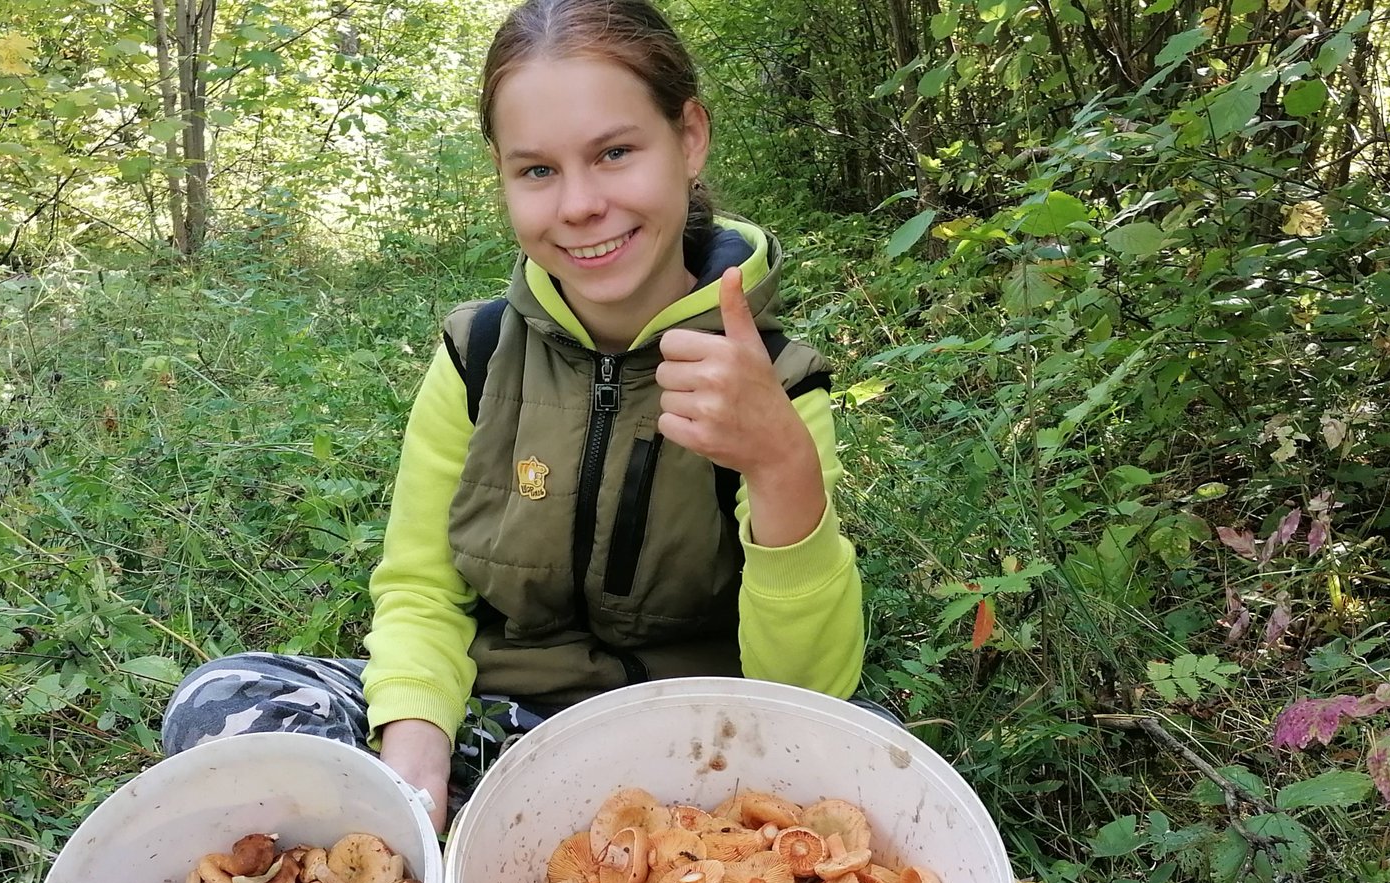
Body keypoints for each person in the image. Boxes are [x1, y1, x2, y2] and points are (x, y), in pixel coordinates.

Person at [160, 0, 873, 830]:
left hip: (696, 755)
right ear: (502, 174)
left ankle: (546, 858)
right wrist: (416, 764)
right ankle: (459, 843)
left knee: (866, 765)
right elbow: (423, 591)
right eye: (537, 170)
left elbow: (811, 700)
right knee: (226, 701)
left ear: (688, 139)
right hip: (501, 726)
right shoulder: (477, 354)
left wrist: (781, 465)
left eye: (614, 153)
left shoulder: (773, 381)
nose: (578, 205)